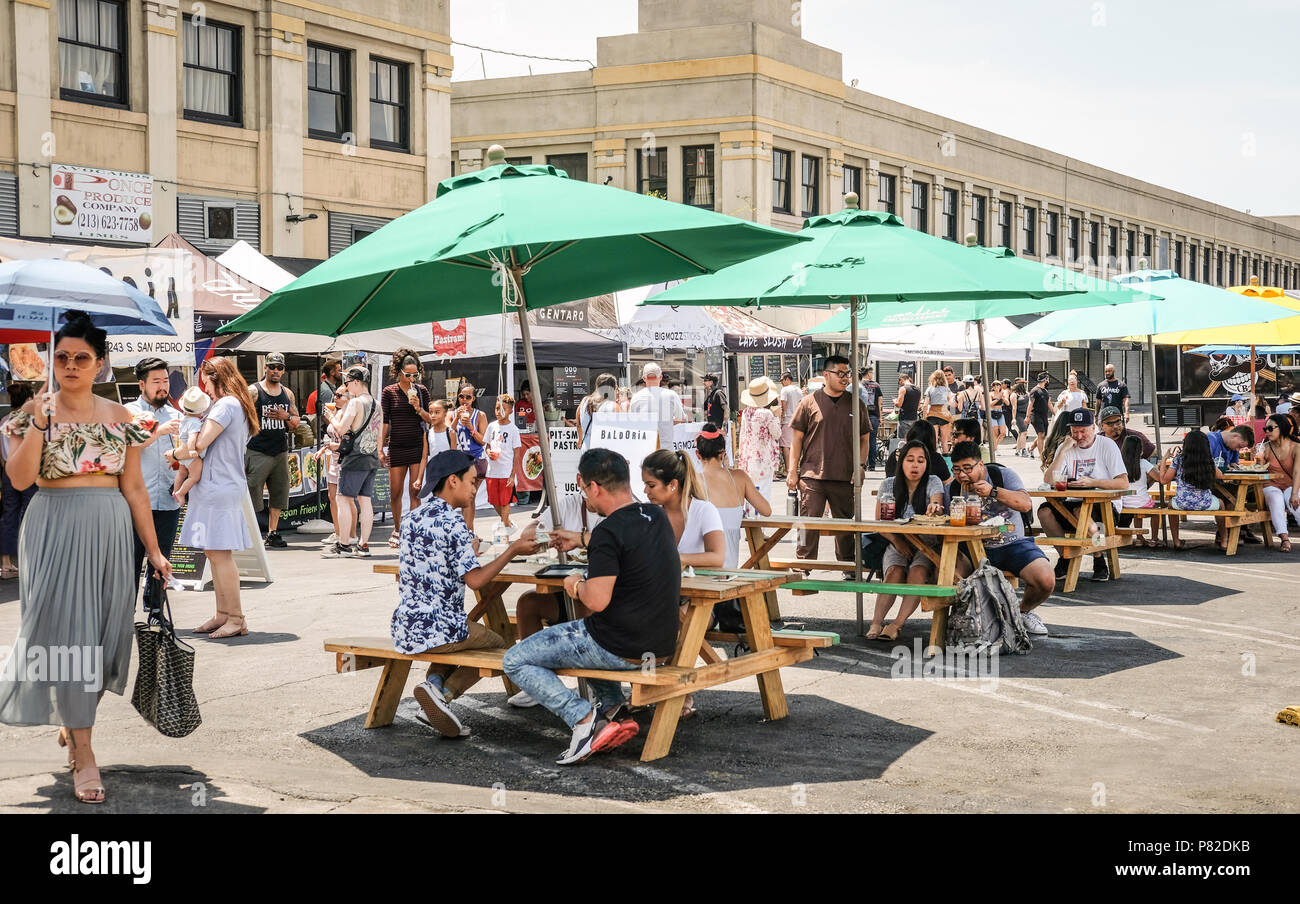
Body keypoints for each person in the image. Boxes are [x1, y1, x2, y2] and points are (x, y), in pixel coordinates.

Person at [0, 311, 172, 805]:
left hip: (111, 529)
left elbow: (136, 488)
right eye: (62, 357)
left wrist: (156, 552)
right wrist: (37, 421)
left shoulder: (122, 419)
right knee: (67, 638)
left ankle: (75, 719)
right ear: (52, 362)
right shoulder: (31, 412)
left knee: (106, 639)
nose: (70, 364)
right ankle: (85, 750)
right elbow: (18, 480)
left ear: (99, 364)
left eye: (81, 357)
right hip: (53, 525)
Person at [503, 448, 681, 765]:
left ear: (594, 487)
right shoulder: (655, 516)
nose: (585, 496)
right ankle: (615, 710)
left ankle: (585, 721)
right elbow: (625, 542)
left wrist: (575, 585)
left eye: (584, 489)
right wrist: (583, 539)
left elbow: (596, 600)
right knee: (589, 636)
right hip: (659, 645)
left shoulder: (608, 531)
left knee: (515, 660)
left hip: (620, 645)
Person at [393, 450, 540, 737]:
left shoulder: (411, 519)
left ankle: (433, 684)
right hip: (441, 629)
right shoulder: (454, 522)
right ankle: (444, 693)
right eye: (472, 482)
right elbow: (475, 581)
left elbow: (431, 560)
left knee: (462, 634)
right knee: (499, 645)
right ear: (452, 481)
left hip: (405, 627)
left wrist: (466, 553)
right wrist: (513, 549)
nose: (476, 489)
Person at [177, 356, 258, 638]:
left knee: (220, 554)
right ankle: (224, 614)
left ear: (216, 378)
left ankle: (235, 617)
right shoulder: (234, 404)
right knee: (215, 552)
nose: (205, 389)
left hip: (218, 487)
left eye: (206, 382)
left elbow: (199, 444)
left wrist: (176, 452)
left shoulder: (226, 405)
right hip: (218, 485)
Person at [507, 486, 608, 708]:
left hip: (607, 600)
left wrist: (579, 539)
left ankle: (595, 684)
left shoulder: (618, 509)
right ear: (583, 484)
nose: (596, 494)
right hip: (570, 591)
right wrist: (545, 535)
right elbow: (529, 532)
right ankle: (535, 683)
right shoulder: (569, 504)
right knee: (528, 603)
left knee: (585, 602)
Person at [948, 441, 1056, 635]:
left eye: (967, 468)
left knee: (1045, 579)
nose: (962, 475)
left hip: (1011, 543)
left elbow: (1025, 504)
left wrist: (993, 491)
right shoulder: (954, 489)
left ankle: (1022, 613)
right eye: (956, 469)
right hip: (971, 548)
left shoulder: (1002, 476)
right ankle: (965, 621)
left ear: (981, 464)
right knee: (947, 576)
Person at [787, 356, 870, 561]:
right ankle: (803, 563)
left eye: (847, 374)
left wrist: (860, 465)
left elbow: (864, 438)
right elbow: (796, 440)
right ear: (826, 375)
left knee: (845, 526)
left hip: (844, 475)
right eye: (840, 373)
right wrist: (792, 470)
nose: (845, 378)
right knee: (808, 522)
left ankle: (847, 563)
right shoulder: (808, 402)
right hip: (812, 474)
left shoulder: (856, 404)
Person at [867, 441, 946, 641]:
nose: (915, 465)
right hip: (896, 540)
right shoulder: (888, 484)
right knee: (894, 572)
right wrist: (898, 542)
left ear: (927, 464)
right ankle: (876, 622)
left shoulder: (933, 481)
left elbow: (936, 502)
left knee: (918, 572)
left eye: (920, 461)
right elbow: (880, 523)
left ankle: (896, 624)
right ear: (901, 462)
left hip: (927, 544)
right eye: (910, 460)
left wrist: (935, 507)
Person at [1039, 408, 1127, 582]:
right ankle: (1065, 556)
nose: (1078, 436)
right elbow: (1049, 479)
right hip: (1072, 502)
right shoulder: (1066, 447)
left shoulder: (1106, 445)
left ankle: (1098, 557)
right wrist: (1063, 450)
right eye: (1074, 431)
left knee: (1081, 512)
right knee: (1044, 512)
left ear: (1093, 428)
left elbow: (1123, 483)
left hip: (1106, 505)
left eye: (1083, 431)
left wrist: (1093, 482)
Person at [124, 357, 182, 615]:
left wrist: (181, 461)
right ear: (141, 385)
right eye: (156, 382)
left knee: (162, 559)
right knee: (131, 561)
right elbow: (132, 442)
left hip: (167, 499)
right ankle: (124, 613)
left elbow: (185, 451)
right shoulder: (130, 412)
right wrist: (159, 430)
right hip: (136, 502)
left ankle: (156, 611)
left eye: (166, 381)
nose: (162, 387)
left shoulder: (177, 414)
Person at [322, 366, 381, 559]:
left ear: (356, 382)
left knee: (343, 499)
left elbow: (341, 429)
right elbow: (379, 434)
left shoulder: (356, 403)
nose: (346, 387)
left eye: (347, 383)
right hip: (371, 456)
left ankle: (344, 545)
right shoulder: (377, 404)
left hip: (354, 457)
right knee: (365, 501)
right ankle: (363, 545)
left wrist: (330, 416)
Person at [380, 350, 435, 548]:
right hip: (396, 445)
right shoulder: (389, 392)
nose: (411, 378)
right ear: (399, 371)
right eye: (408, 374)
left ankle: (412, 531)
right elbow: (385, 422)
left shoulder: (422, 391)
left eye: (415, 375)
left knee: (414, 492)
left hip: (417, 445)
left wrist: (419, 408)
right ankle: (397, 528)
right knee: (395, 492)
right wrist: (380, 448)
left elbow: (432, 419)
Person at [697, 423, 770, 568]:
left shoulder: (694, 480)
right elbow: (766, 510)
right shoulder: (740, 477)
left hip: (701, 569)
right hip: (730, 570)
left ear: (698, 455)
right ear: (723, 454)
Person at [245, 352, 299, 549]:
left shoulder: (288, 393)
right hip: (258, 450)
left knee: (279, 494)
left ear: (283, 370)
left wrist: (286, 416)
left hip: (279, 451)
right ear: (265, 368)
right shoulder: (254, 391)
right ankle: (249, 534)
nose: (275, 371)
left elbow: (295, 423)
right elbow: (242, 417)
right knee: (252, 493)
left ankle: (273, 533)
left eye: (279, 367)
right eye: (272, 367)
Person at [1153, 430, 1223, 550]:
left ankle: (1176, 541)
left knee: (1170, 505)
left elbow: (1164, 480)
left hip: (1181, 503)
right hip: (1205, 503)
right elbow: (1220, 476)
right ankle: (1224, 540)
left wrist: (1164, 459)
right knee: (1221, 504)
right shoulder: (1208, 460)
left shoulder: (1178, 460)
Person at [0, 383, 37, 579]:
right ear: (28, 398)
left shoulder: (5, 419)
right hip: (26, 470)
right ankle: (28, 560)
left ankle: (6, 563)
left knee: (9, 514)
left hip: (7, 470)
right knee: (30, 514)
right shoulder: (29, 420)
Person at [737, 378, 784, 508]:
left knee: (751, 495)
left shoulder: (747, 412)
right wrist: (776, 416)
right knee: (763, 495)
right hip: (762, 460)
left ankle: (752, 525)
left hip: (748, 459)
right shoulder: (766, 414)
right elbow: (777, 434)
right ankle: (760, 526)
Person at [1259, 414, 1300, 553]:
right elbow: (1259, 471)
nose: (1267, 432)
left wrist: (1294, 494)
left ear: (1281, 428)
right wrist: (1258, 459)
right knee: (1276, 499)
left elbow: (1297, 472)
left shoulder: (1296, 447)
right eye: (1266, 429)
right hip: (1271, 483)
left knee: (1296, 503)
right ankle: (1284, 538)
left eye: (1270, 428)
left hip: (1291, 484)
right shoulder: (1265, 447)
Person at [313, 385, 348, 547]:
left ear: (348, 397)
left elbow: (343, 435)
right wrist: (324, 447)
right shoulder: (338, 412)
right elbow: (333, 435)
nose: (335, 397)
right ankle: (338, 531)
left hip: (345, 460)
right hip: (333, 459)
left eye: (339, 395)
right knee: (332, 498)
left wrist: (331, 418)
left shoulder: (349, 412)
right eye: (335, 394)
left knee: (345, 500)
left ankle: (349, 534)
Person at [483, 394, 524, 528]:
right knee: (494, 501)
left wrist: (513, 475)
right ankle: (507, 522)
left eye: (503, 409)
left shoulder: (513, 430)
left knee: (505, 501)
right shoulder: (491, 426)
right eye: (497, 408)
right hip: (492, 471)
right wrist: (489, 452)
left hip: (506, 472)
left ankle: (504, 527)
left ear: (511, 411)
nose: (499, 412)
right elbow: (487, 445)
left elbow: (517, 453)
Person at [453, 382, 490, 531]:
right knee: (468, 498)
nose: (464, 400)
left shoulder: (480, 415)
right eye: (462, 396)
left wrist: (470, 427)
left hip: (477, 461)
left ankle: (468, 532)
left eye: (468, 397)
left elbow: (483, 441)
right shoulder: (453, 414)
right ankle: (470, 532)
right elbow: (448, 432)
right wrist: (456, 418)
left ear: (473, 398)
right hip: (461, 461)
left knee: (468, 497)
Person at [629, 361, 686, 448]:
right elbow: (681, 419)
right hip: (665, 449)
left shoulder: (636, 397)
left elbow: (632, 422)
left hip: (644, 448)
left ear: (644, 378)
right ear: (660, 377)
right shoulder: (671, 395)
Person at [170, 386, 210, 506]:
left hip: (182, 455)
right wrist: (192, 450)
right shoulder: (195, 422)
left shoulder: (184, 420)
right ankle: (181, 493)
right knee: (194, 476)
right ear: (200, 411)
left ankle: (175, 490)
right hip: (191, 456)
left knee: (181, 473)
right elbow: (193, 437)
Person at [1117, 434, 1159, 547]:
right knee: (1156, 512)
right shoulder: (1144, 463)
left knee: (1137, 512)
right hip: (1142, 502)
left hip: (1124, 503)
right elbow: (1159, 478)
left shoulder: (1120, 464)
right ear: (1140, 450)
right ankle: (1154, 539)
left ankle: (1140, 538)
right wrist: (1160, 466)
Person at [884, 419, 952, 483]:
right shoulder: (935, 458)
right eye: (910, 460)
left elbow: (889, 481)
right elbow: (947, 483)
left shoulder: (896, 454)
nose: (915, 465)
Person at [577, 373, 619, 449]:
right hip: (606, 448)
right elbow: (618, 430)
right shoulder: (612, 406)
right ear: (613, 388)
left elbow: (578, 423)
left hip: (587, 446)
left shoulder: (585, 401)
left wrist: (580, 440)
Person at [779, 371, 805, 477]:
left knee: (786, 446)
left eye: (782, 380)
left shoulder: (784, 390)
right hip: (798, 419)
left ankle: (788, 468)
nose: (781, 382)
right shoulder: (799, 390)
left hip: (787, 420)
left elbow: (783, 405)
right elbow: (801, 404)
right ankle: (796, 466)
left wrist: (781, 417)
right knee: (796, 444)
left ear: (787, 379)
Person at [857, 367, 882, 470]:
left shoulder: (858, 385)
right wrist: (880, 416)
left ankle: (862, 464)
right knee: (872, 440)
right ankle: (872, 465)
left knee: (860, 440)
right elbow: (880, 401)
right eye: (871, 372)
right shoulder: (876, 385)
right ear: (868, 374)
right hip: (874, 416)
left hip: (861, 415)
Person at [923, 369, 953, 452]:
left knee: (934, 440)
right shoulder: (947, 389)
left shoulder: (930, 389)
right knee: (944, 441)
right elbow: (951, 402)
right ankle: (946, 460)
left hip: (932, 414)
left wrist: (924, 416)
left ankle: (934, 458)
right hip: (944, 414)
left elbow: (925, 405)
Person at [1028, 372, 1053, 459]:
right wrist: (1027, 417)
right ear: (1046, 379)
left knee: (1043, 435)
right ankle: (1041, 455)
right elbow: (1030, 404)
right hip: (1035, 415)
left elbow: (1049, 403)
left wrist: (1055, 413)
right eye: (1048, 378)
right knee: (1041, 434)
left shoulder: (1045, 391)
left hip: (1044, 416)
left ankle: (1031, 448)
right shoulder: (1035, 390)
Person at [893, 371, 922, 436]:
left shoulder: (903, 389)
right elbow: (919, 406)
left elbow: (899, 404)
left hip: (904, 419)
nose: (900, 384)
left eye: (899, 382)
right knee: (912, 440)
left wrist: (894, 401)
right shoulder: (918, 389)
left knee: (902, 441)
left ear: (901, 380)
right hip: (914, 418)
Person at [1011, 377, 1032, 457]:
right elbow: (1014, 407)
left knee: (1021, 433)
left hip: (1026, 415)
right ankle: (1024, 450)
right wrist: (1013, 418)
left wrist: (1029, 415)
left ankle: (1017, 450)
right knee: (1024, 432)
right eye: (1023, 384)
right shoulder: (1014, 394)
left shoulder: (1027, 393)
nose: (1024, 385)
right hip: (1019, 415)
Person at [988, 379, 1008, 449]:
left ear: (1000, 386)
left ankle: (994, 446)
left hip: (1000, 412)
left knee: (1003, 432)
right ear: (992, 387)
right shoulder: (990, 394)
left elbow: (1008, 403)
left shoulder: (1002, 393)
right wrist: (997, 399)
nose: (996, 386)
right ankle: (995, 448)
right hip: (992, 412)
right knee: (995, 432)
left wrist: (1003, 398)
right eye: (994, 385)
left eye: (998, 385)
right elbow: (990, 404)